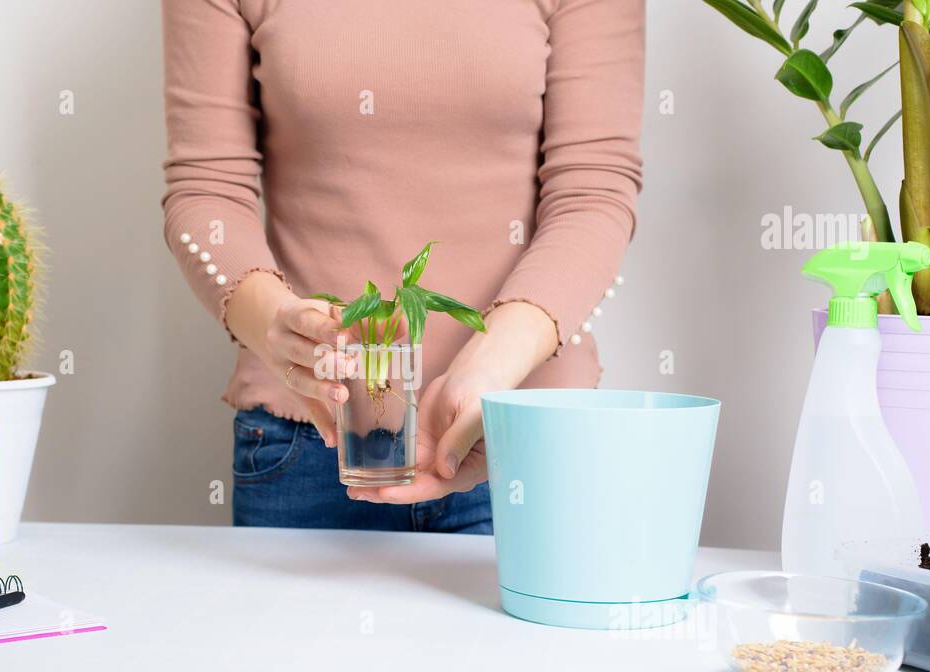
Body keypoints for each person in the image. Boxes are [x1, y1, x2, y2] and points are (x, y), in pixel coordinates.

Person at [161, 0, 644, 533]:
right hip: (313, 437)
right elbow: (204, 190)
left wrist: (490, 365)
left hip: (523, 424)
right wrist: (277, 325)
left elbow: (593, 194)